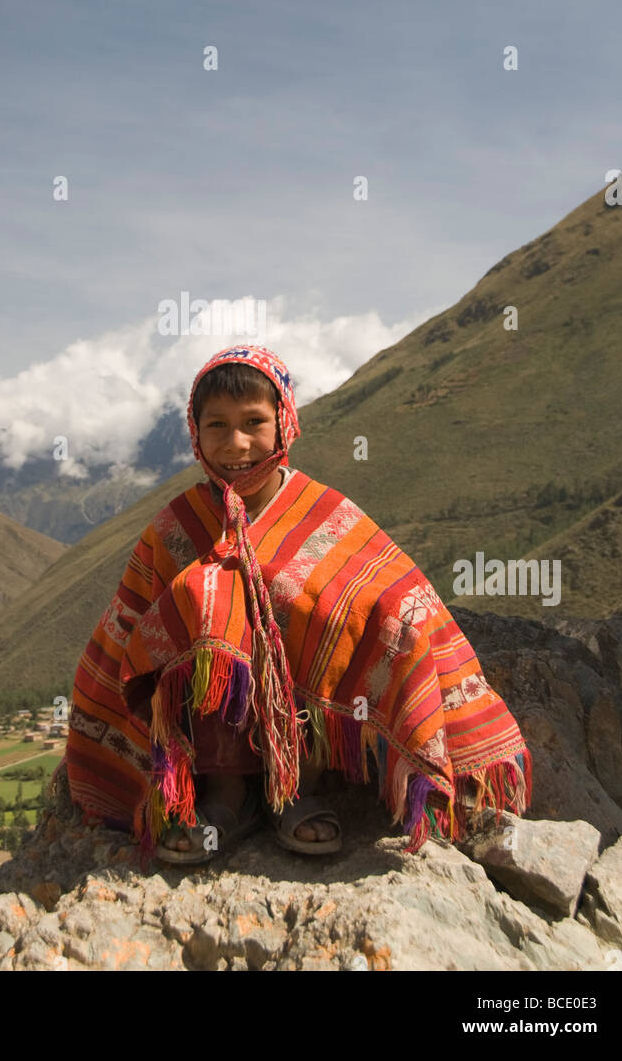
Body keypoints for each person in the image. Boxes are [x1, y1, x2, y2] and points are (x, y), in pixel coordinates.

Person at [56, 344, 532, 865]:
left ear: (285, 423)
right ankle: (226, 798)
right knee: (209, 598)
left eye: (253, 422)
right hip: (206, 729)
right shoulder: (177, 526)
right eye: (216, 425)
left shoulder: (324, 514)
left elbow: (393, 594)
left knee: (326, 614)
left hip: (314, 724)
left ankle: (297, 789)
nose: (235, 443)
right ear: (195, 433)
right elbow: (128, 623)